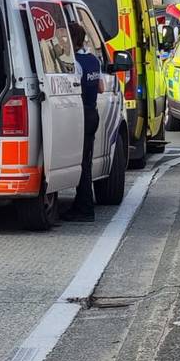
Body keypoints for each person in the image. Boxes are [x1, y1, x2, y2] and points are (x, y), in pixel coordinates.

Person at [61, 22, 107, 223]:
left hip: (80, 116)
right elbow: (101, 88)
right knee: (85, 162)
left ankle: (85, 208)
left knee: (82, 165)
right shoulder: (93, 60)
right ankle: (82, 205)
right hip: (92, 113)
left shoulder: (75, 64)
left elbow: (72, 88)